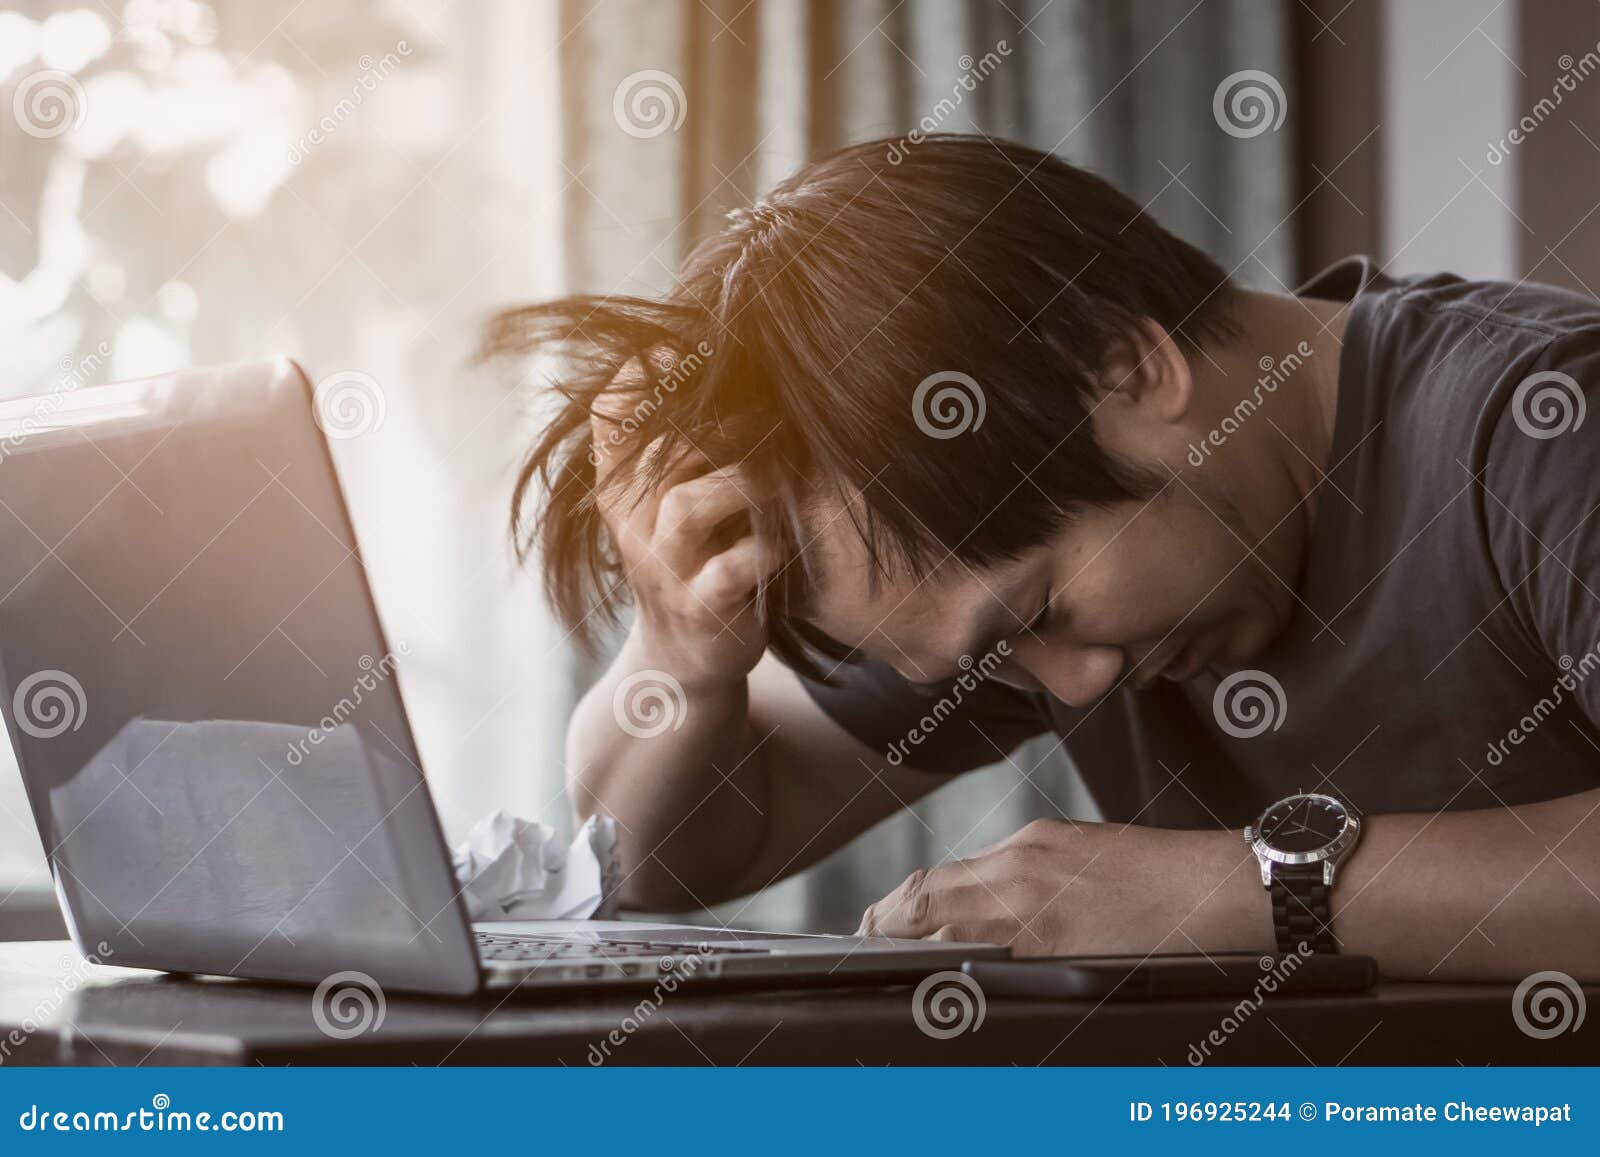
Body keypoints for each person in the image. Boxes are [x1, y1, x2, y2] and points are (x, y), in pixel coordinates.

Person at [481, 134, 1600, 980]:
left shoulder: (1546, 428)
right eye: (992, 663)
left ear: (1123, 364)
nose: (1074, 684)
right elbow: (664, 859)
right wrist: (682, 654)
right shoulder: (975, 573)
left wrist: (1238, 888)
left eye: (1039, 610)